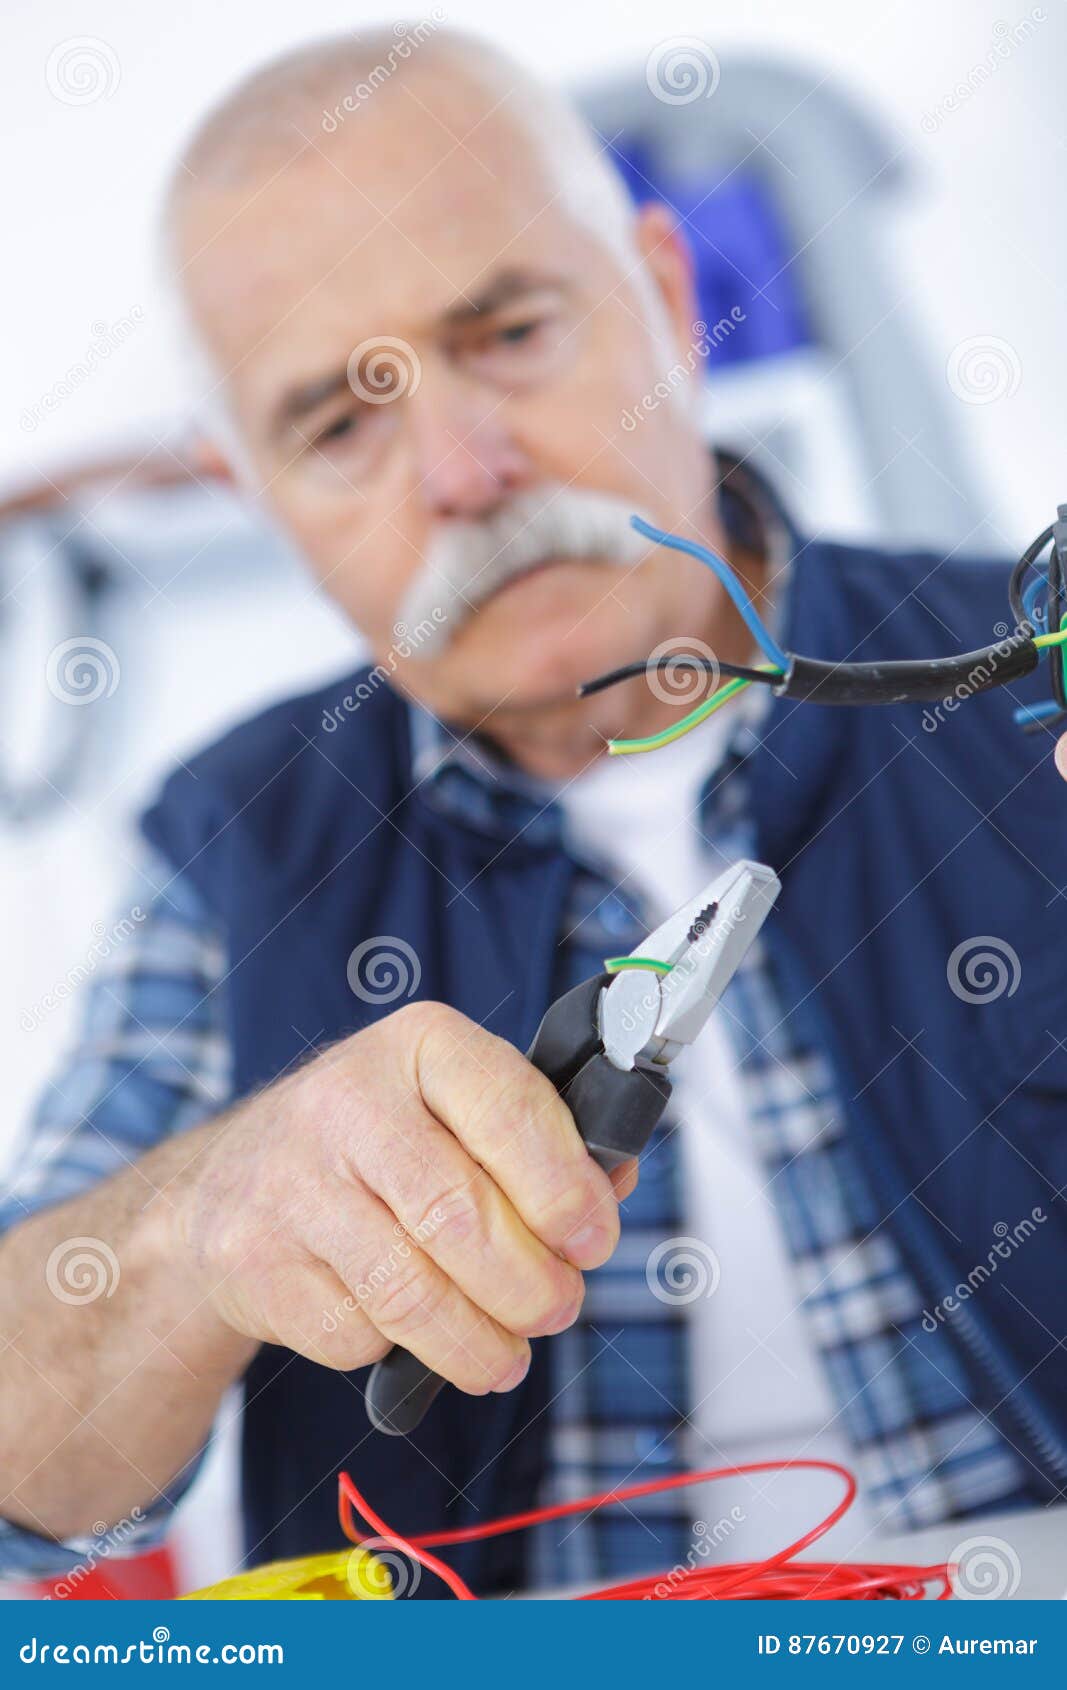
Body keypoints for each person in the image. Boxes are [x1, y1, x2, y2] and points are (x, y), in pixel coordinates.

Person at [2, 29, 1065, 1596]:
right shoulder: (231, 843)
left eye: (508, 331)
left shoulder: (1034, 677)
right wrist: (195, 1223)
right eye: (339, 425)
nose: (464, 468)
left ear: (667, 298)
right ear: (252, 489)